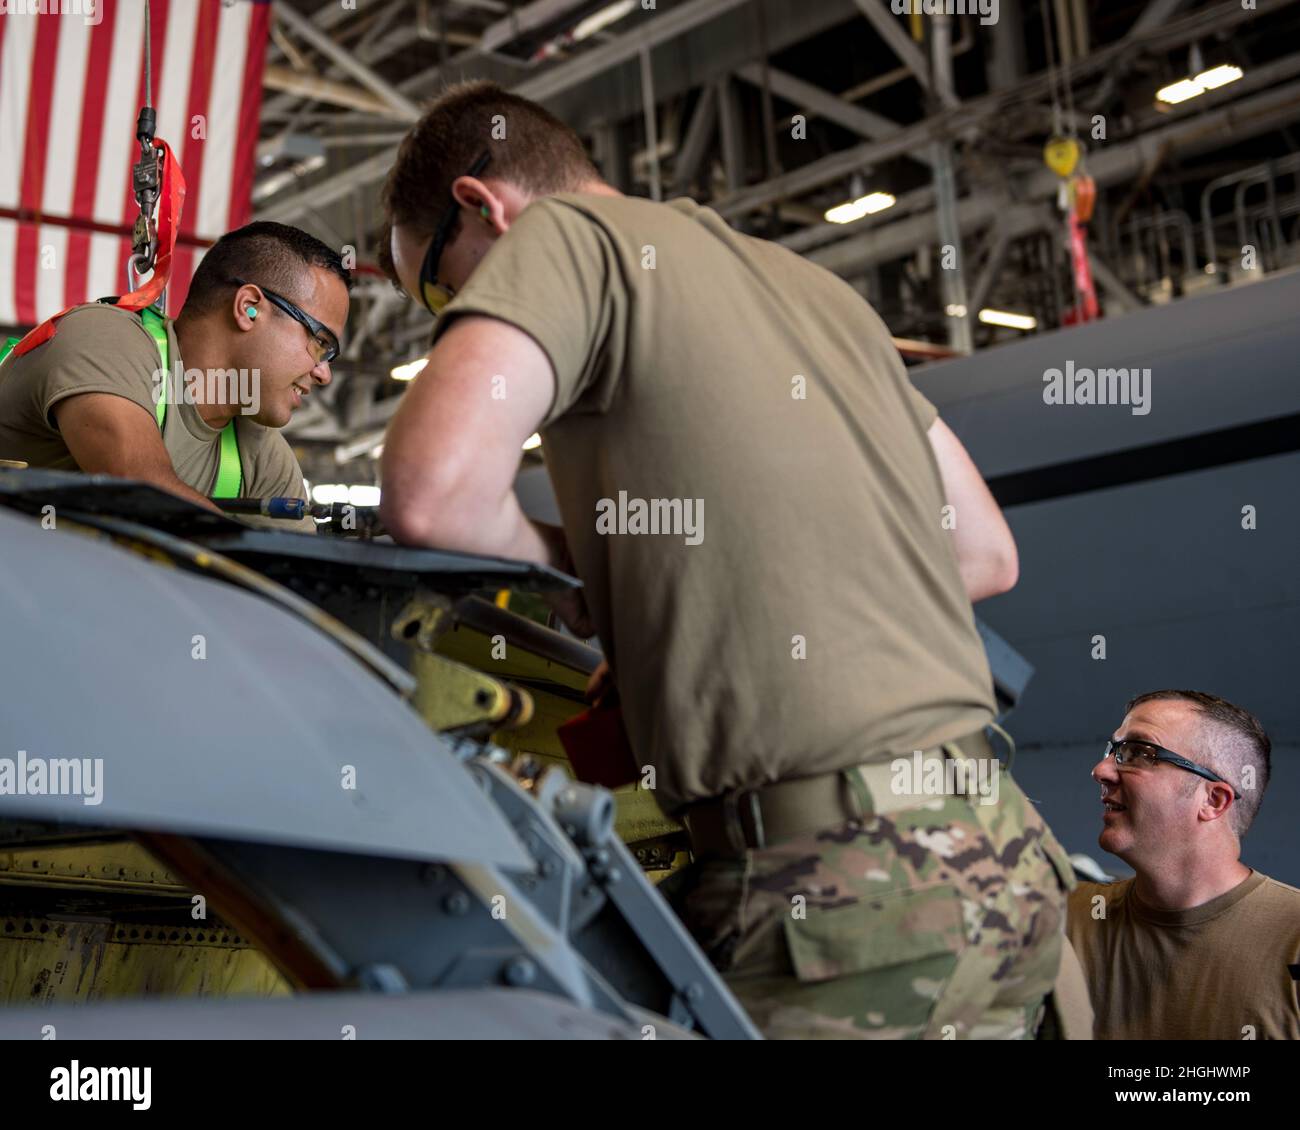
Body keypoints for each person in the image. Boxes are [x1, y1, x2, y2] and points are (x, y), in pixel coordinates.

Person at [377, 80, 1074, 1038]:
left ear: (479, 204)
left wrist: (584, 572)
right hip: (1003, 863)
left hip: (843, 898)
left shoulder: (561, 239)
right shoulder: (817, 291)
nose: (456, 310)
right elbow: (986, 553)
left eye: (443, 288)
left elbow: (431, 495)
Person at [0, 222, 349, 522]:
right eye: (320, 343)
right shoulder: (102, 336)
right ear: (249, 309)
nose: (324, 374)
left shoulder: (260, 453)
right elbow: (139, 490)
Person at [1068, 689, 1299, 1039]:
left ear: (1213, 800)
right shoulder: (1060, 918)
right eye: (1112, 751)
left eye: (1139, 753)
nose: (1100, 770)